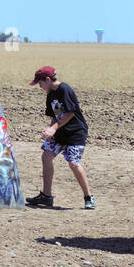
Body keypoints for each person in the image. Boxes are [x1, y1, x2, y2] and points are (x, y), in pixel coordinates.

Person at [26, 65, 95, 209]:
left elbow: (70, 113)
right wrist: (51, 131)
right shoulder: (50, 94)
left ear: (48, 79)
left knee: (73, 163)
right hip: (60, 132)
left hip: (75, 132)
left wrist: (53, 128)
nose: (40, 86)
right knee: (46, 156)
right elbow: (54, 116)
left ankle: (89, 197)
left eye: (40, 83)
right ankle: (46, 196)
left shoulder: (65, 89)